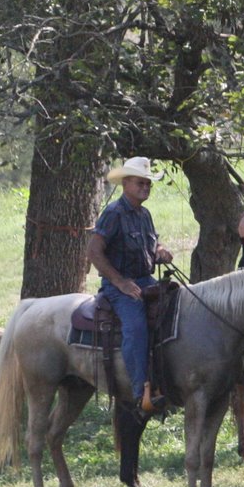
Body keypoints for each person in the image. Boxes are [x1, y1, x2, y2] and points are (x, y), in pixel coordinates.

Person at [86, 158, 175, 414]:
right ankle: (140, 393)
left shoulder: (144, 214)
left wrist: (160, 251)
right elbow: (93, 251)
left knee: (175, 309)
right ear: (126, 183)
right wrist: (120, 282)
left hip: (146, 280)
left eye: (148, 184)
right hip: (119, 286)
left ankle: (168, 381)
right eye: (140, 183)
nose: (145, 187)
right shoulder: (114, 213)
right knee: (135, 327)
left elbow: (152, 243)